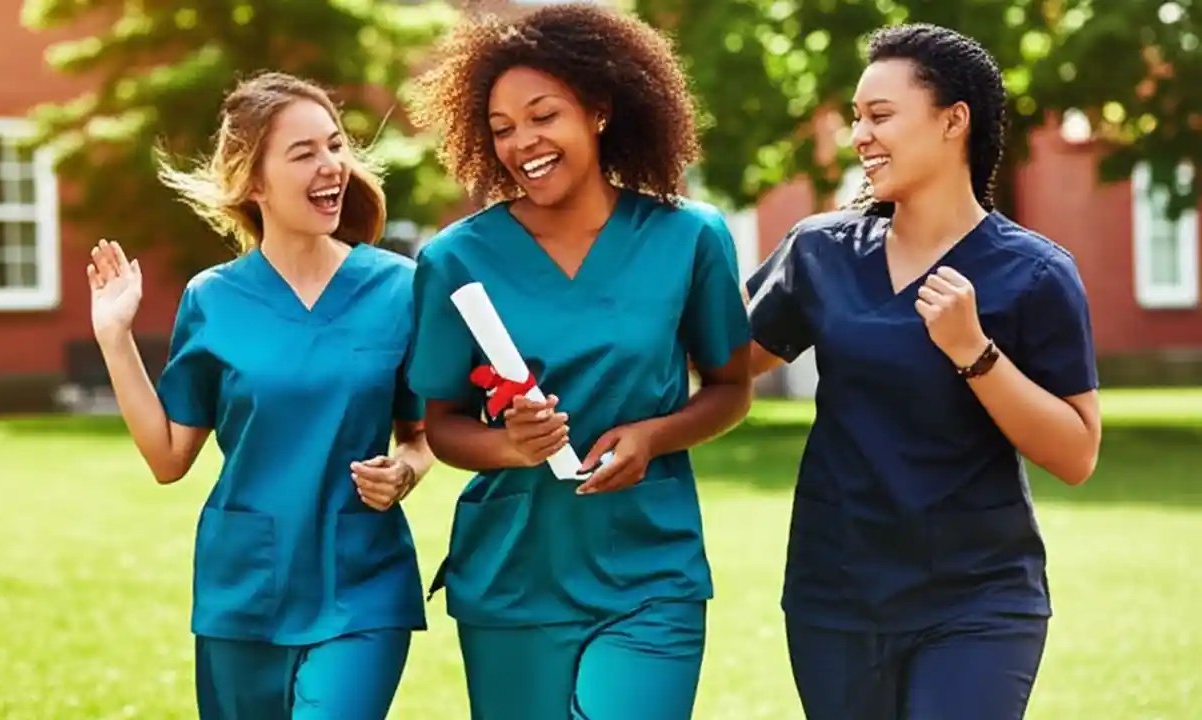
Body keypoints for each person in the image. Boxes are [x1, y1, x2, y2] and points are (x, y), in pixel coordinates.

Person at [403, 4, 752, 719]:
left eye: (543, 116)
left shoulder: (690, 237)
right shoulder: (454, 260)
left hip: (650, 571)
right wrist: (510, 444)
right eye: (501, 129)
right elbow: (439, 424)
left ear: (597, 110)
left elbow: (730, 389)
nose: (522, 143)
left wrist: (653, 436)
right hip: (514, 578)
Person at [745, 23, 1102, 720]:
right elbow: (719, 364)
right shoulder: (820, 251)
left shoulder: (1034, 273)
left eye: (880, 116)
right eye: (856, 119)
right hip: (836, 594)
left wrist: (975, 351)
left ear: (953, 121)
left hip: (977, 599)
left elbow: (1077, 451)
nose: (861, 137)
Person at [85, 71, 433, 720]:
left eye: (335, 146)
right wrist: (115, 337)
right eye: (303, 154)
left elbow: (421, 433)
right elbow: (167, 458)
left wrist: (405, 471)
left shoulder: (401, 290)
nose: (331, 166)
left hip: (361, 585)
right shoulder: (212, 300)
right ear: (254, 182)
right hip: (243, 590)